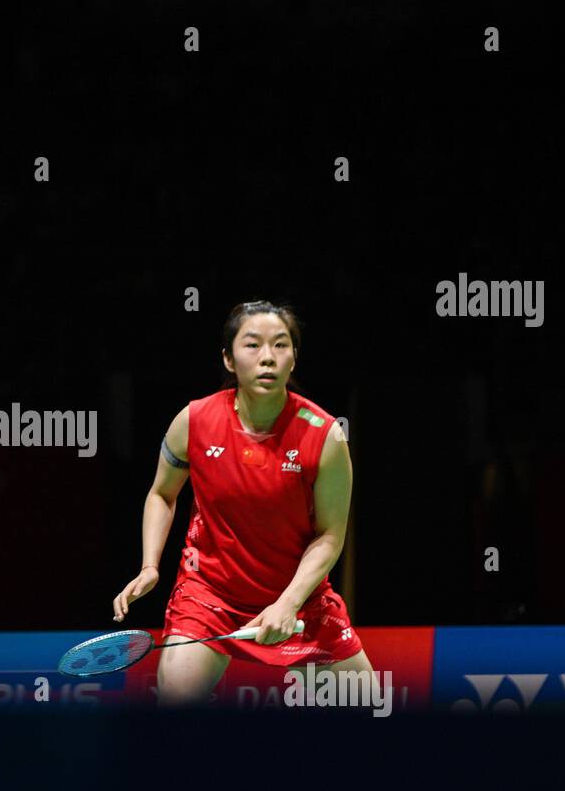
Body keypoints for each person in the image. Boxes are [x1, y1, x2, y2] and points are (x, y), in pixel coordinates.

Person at [112, 301, 376, 706]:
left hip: (298, 595)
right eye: (252, 345)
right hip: (209, 595)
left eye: (280, 345)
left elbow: (330, 534)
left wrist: (287, 603)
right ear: (228, 359)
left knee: (367, 707)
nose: (267, 357)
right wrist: (150, 566)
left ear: (294, 359)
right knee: (177, 703)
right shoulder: (194, 421)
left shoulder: (325, 436)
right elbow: (162, 494)